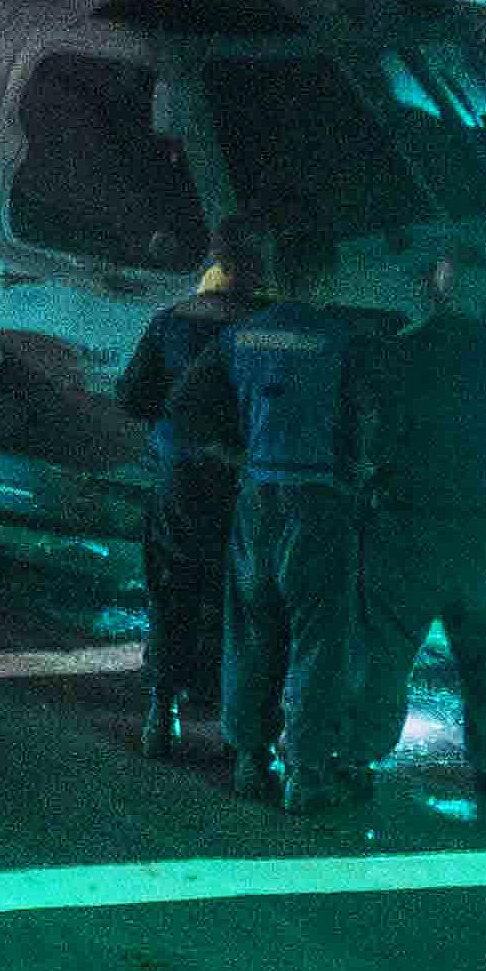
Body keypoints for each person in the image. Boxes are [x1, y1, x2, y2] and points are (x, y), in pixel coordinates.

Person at [354, 241, 486, 805]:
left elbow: (374, 440)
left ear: (434, 289)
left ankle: (362, 753)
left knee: (387, 648)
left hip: (408, 527)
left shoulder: (402, 353)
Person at [212, 217, 389, 817]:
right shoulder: (343, 339)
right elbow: (368, 423)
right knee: (318, 642)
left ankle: (247, 759)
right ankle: (307, 775)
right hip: (320, 505)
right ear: (323, 273)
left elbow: (187, 405)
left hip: (257, 497)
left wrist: (236, 450)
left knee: (253, 630)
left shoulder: (242, 335)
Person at [112, 209, 270, 756]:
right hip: (249, 485)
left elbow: (132, 396)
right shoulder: (268, 327)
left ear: (214, 258)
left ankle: (162, 711)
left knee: (172, 590)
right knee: (243, 601)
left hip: (180, 478)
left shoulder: (173, 320)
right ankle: (237, 728)